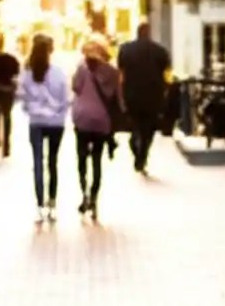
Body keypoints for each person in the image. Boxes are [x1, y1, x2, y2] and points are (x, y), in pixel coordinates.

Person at [19, 34, 70, 223]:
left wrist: (35, 109)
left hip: (36, 123)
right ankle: (52, 203)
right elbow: (66, 99)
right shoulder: (59, 73)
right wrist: (57, 111)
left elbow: (23, 101)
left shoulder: (27, 73)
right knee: (53, 163)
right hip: (56, 123)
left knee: (38, 163)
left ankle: (39, 206)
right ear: (51, 51)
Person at [71, 36, 123, 220]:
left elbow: (75, 88)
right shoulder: (113, 72)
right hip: (102, 121)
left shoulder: (82, 69)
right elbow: (118, 100)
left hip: (82, 119)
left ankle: (84, 192)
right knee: (97, 161)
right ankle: (94, 197)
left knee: (82, 158)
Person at [117, 22, 171, 174]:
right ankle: (142, 155)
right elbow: (167, 74)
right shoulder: (160, 51)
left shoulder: (125, 50)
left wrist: (121, 95)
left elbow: (120, 74)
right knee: (149, 128)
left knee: (135, 124)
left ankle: (135, 142)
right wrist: (165, 92)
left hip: (132, 95)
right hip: (153, 96)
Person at [0, 34, 21, 156]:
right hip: (8, 91)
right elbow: (16, 73)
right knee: (7, 116)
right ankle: (7, 144)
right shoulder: (12, 59)